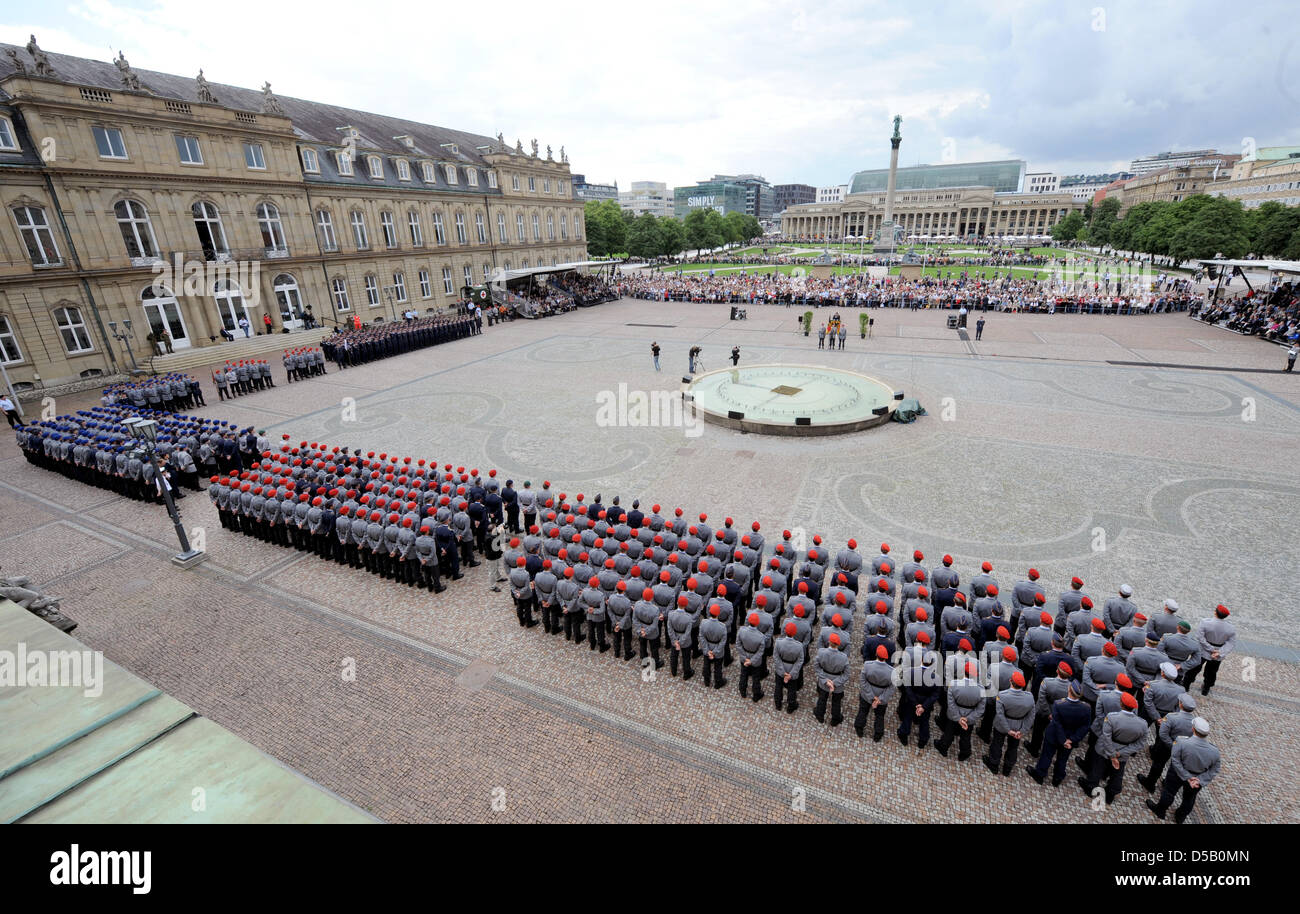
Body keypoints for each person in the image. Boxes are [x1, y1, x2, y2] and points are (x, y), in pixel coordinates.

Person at [1146, 717, 1220, 823]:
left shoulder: (1181, 741)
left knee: (1169, 792)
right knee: (1189, 798)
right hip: (1196, 779)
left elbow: (1175, 760)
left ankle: (1160, 810)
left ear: (1193, 729)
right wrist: (1199, 780)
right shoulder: (1215, 751)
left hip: (1178, 773)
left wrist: (1187, 776)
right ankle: (1180, 817)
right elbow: (1214, 770)